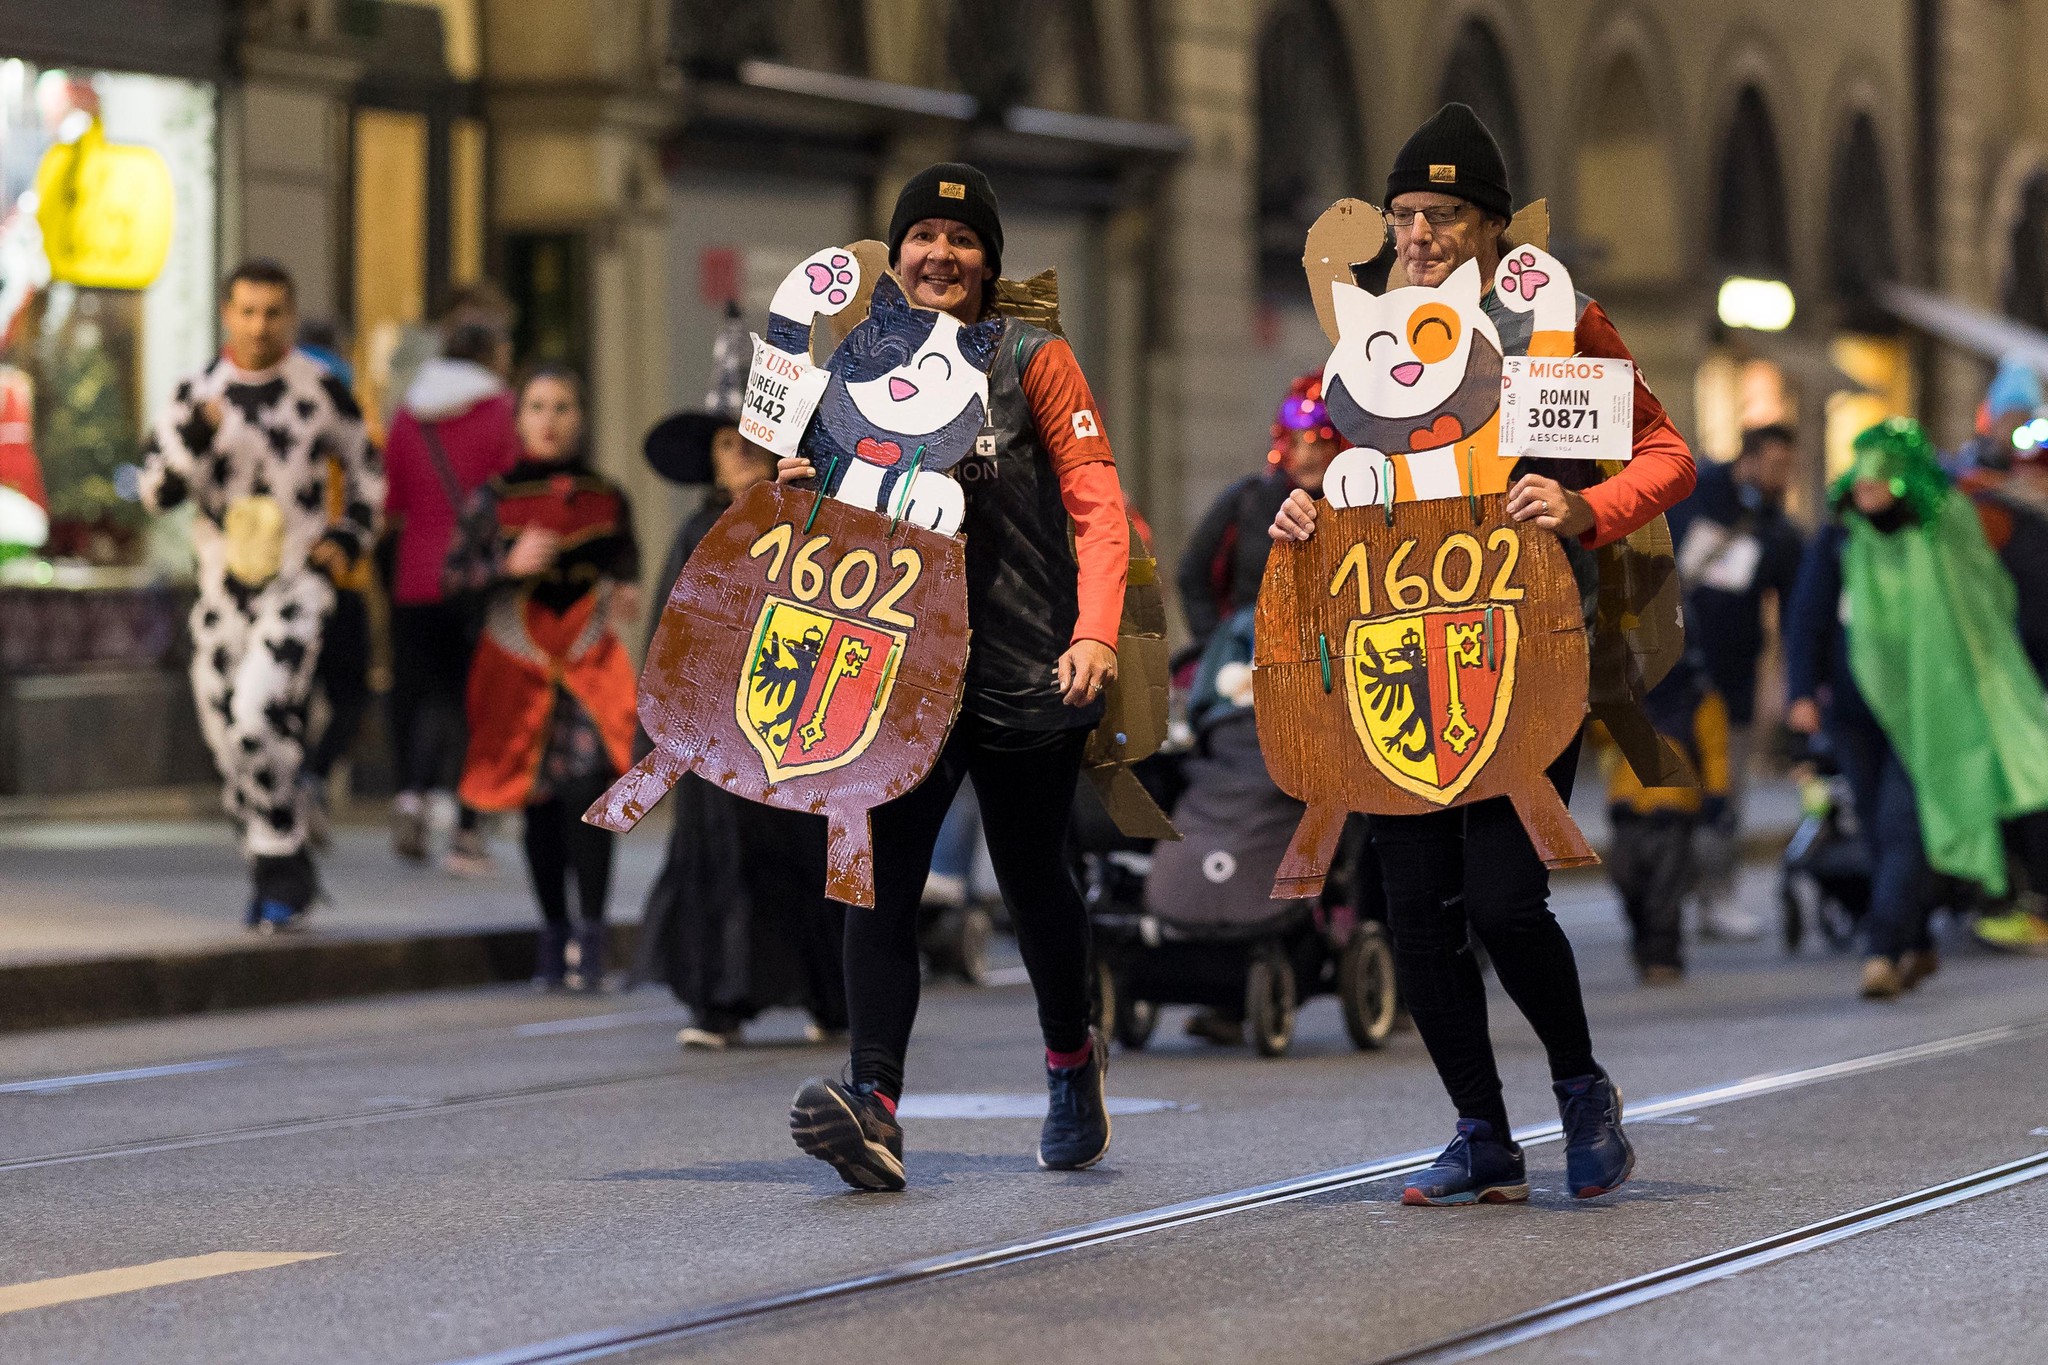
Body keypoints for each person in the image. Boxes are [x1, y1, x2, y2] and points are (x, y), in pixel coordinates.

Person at [1270, 104, 1696, 1205]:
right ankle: (1480, 1131)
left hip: (1526, 651)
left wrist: (1584, 503)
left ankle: (1579, 1090)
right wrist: (1305, 517)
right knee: (1413, 913)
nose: (1417, 236)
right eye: (1404, 216)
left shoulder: (1558, 321)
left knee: (1504, 901)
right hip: (1392, 653)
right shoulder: (1368, 338)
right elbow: (1338, 477)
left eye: (1442, 216)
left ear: (1495, 227)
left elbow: (1666, 452)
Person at [780, 162, 1130, 1191]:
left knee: (1033, 884)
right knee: (879, 881)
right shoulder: (852, 364)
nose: (941, 253)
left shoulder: (1035, 358)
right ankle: (873, 1104)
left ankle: (1071, 1061)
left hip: (1028, 666)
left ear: (988, 262)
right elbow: (824, 522)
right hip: (893, 670)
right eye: (922, 236)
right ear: (896, 257)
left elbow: (1096, 502)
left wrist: (1095, 632)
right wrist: (797, 495)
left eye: (962, 238)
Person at [138, 260, 381, 929]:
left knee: (256, 713)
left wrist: (350, 537)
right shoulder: (196, 393)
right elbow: (155, 491)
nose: (260, 326)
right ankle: (282, 857)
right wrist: (195, 438)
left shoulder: (321, 387)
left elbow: (367, 470)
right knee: (229, 741)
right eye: (247, 311)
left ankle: (278, 862)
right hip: (220, 591)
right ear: (226, 314)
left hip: (298, 585)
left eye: (273, 312)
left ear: (291, 314)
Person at [636, 321, 849, 1048]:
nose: (741, 455)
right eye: (727, 442)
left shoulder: (814, 522)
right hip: (708, 727)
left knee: (804, 857)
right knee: (715, 856)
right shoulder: (696, 528)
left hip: (797, 720)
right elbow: (669, 629)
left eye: (754, 439)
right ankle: (717, 1001)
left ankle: (834, 995)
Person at [1785, 418, 2048, 995]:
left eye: (1878, 480)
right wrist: (1801, 691)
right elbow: (1809, 615)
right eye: (1860, 480)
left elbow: (1989, 609)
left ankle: (1881, 951)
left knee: (1903, 826)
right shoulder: (1842, 537)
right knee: (1879, 834)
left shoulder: (1942, 531)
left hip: (1935, 711)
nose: (1865, 490)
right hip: (1856, 712)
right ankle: (1917, 940)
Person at [444, 367, 640, 989]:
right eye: (536, 407)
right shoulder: (491, 500)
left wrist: (628, 586)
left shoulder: (608, 495)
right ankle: (554, 939)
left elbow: (625, 555)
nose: (549, 419)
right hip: (516, 669)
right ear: (519, 419)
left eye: (562, 406)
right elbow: (451, 582)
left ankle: (593, 937)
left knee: (591, 793)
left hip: (586, 668)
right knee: (540, 805)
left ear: (579, 418)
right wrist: (506, 563)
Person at [382, 317, 520, 873]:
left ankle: (413, 795)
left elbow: (392, 499)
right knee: (473, 701)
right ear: (489, 356)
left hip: (415, 574)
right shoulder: (500, 412)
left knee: (422, 692)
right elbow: (511, 492)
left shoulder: (407, 417)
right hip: (475, 577)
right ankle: (465, 828)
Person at [1663, 423, 1805, 940]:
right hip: (1668, 675)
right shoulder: (1689, 494)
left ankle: (1716, 898)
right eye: (1775, 464)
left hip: (1734, 681)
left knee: (1726, 795)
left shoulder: (1779, 532)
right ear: (1748, 459)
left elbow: (1795, 616)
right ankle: (1665, 898)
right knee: (1664, 792)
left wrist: (1790, 688)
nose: (1782, 476)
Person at [1176, 370, 1347, 653]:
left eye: (1319, 442)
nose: (1306, 456)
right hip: (1246, 657)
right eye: (1296, 442)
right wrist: (1219, 647)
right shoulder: (1246, 500)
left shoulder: (1356, 503)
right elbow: (1193, 575)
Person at [1600, 648, 1731, 985]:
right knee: (1626, 879)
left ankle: (1662, 954)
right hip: (1628, 806)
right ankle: (1645, 942)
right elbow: (1599, 735)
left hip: (1675, 809)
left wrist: (1717, 797)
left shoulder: (1699, 699)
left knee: (1665, 889)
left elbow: (1715, 752)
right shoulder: (1628, 698)